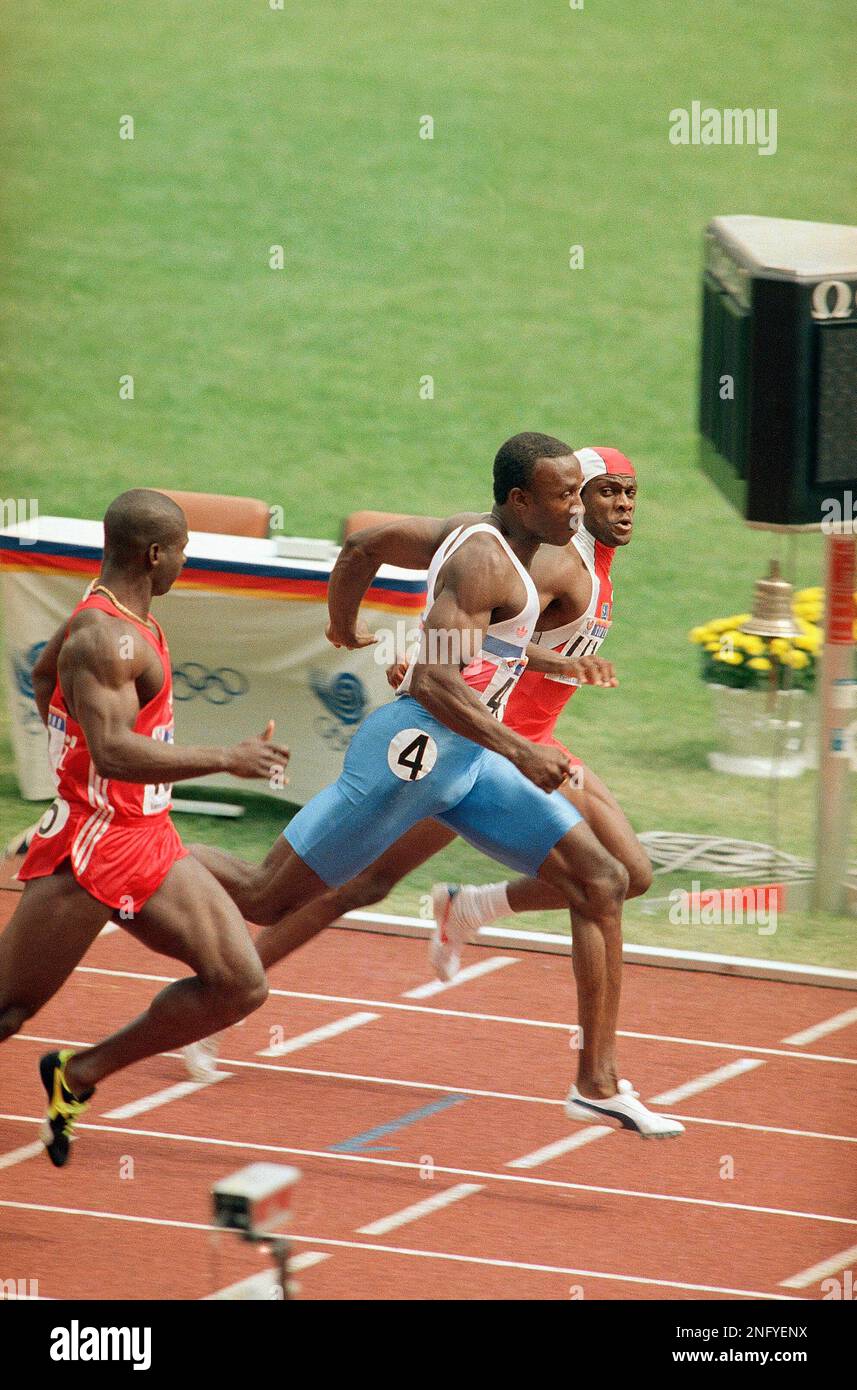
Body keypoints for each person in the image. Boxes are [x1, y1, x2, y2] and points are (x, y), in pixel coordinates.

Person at [189, 433, 682, 1138]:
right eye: (577, 494)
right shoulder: (507, 557)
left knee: (604, 880)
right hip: (422, 752)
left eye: (592, 494)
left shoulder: (502, 544)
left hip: (479, 757)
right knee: (270, 896)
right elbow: (434, 676)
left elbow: (369, 548)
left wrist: (343, 625)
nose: (585, 509)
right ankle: (154, 875)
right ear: (522, 500)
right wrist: (508, 735)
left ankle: (594, 1083)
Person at [0, 489, 288, 1165]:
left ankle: (79, 1074)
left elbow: (45, 677)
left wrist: (62, 744)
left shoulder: (126, 623)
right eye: (182, 550)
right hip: (93, 843)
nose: (184, 562)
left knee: (238, 984)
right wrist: (228, 757)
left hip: (146, 836)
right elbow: (115, 752)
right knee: (7, 1012)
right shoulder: (105, 636)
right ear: (155, 554)